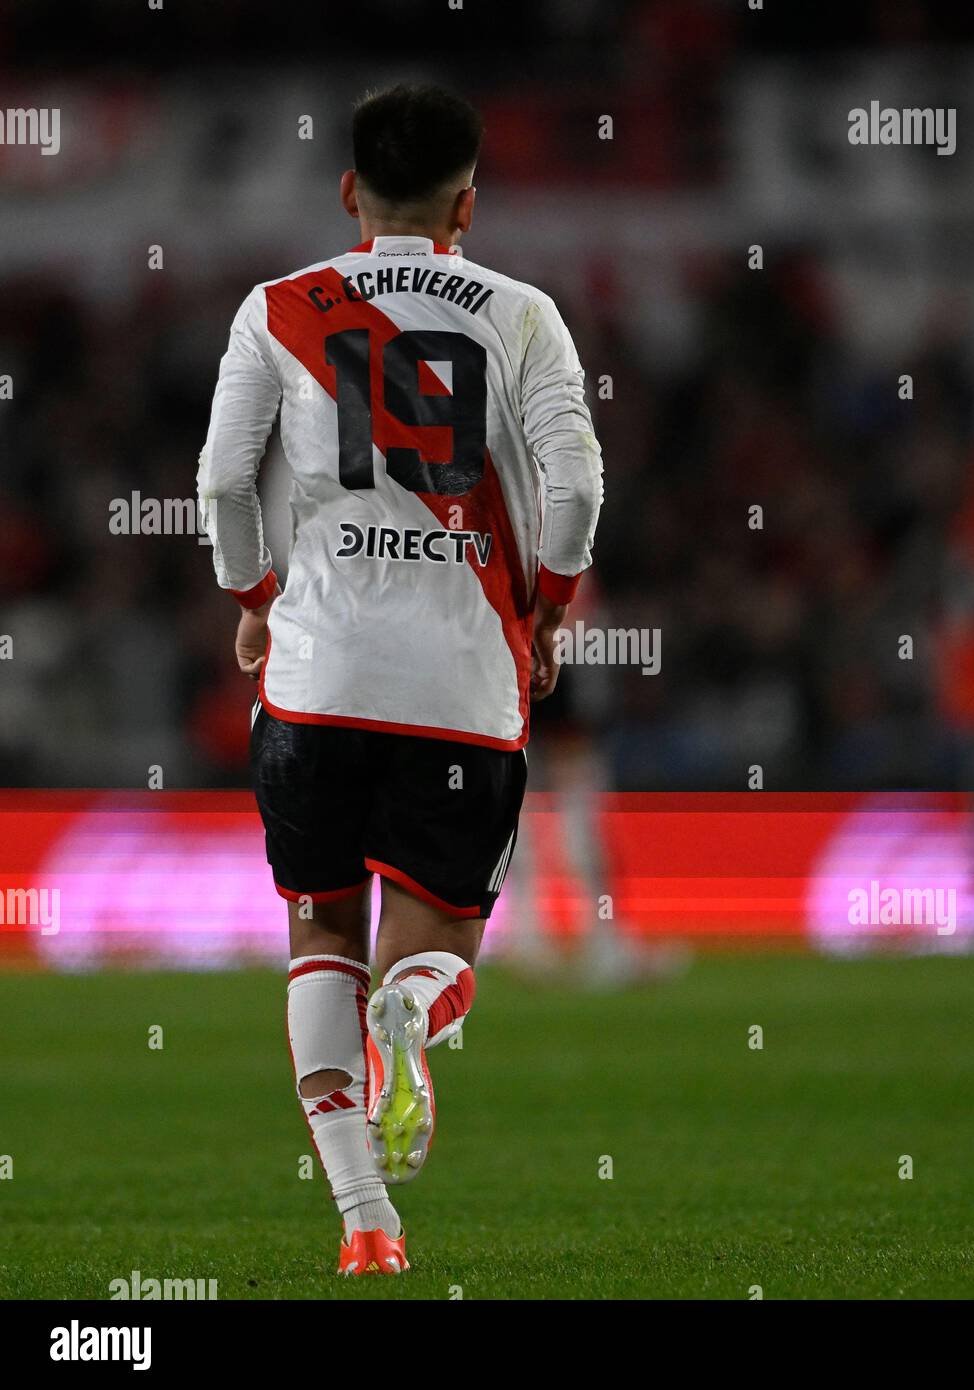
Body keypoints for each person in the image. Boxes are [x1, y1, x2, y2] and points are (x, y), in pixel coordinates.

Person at [196, 84, 602, 1275]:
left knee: (320, 926)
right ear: (470, 201)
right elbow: (575, 491)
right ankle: (413, 1011)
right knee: (439, 943)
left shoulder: (278, 308)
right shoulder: (525, 315)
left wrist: (256, 607)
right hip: (465, 684)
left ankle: (367, 1223)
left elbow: (223, 484)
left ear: (347, 193)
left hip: (316, 681)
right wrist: (552, 607)